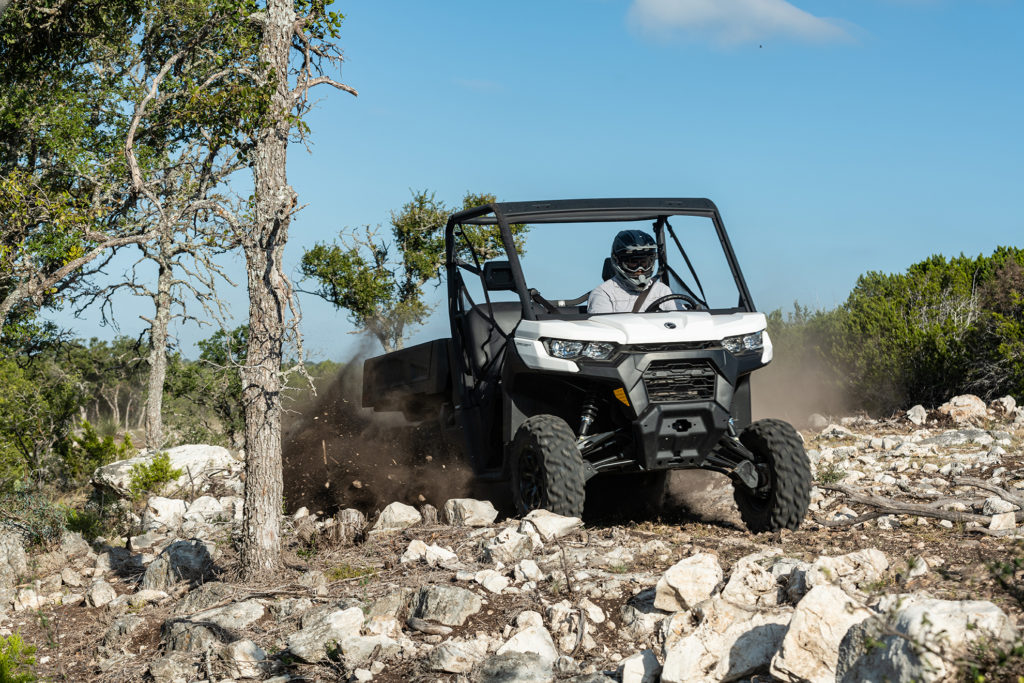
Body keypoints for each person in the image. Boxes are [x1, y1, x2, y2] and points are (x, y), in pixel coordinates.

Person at [587, 230, 679, 313]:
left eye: (644, 262)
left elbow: (681, 321)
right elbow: (605, 330)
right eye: (633, 263)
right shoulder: (604, 293)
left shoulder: (662, 291)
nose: (640, 269)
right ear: (618, 261)